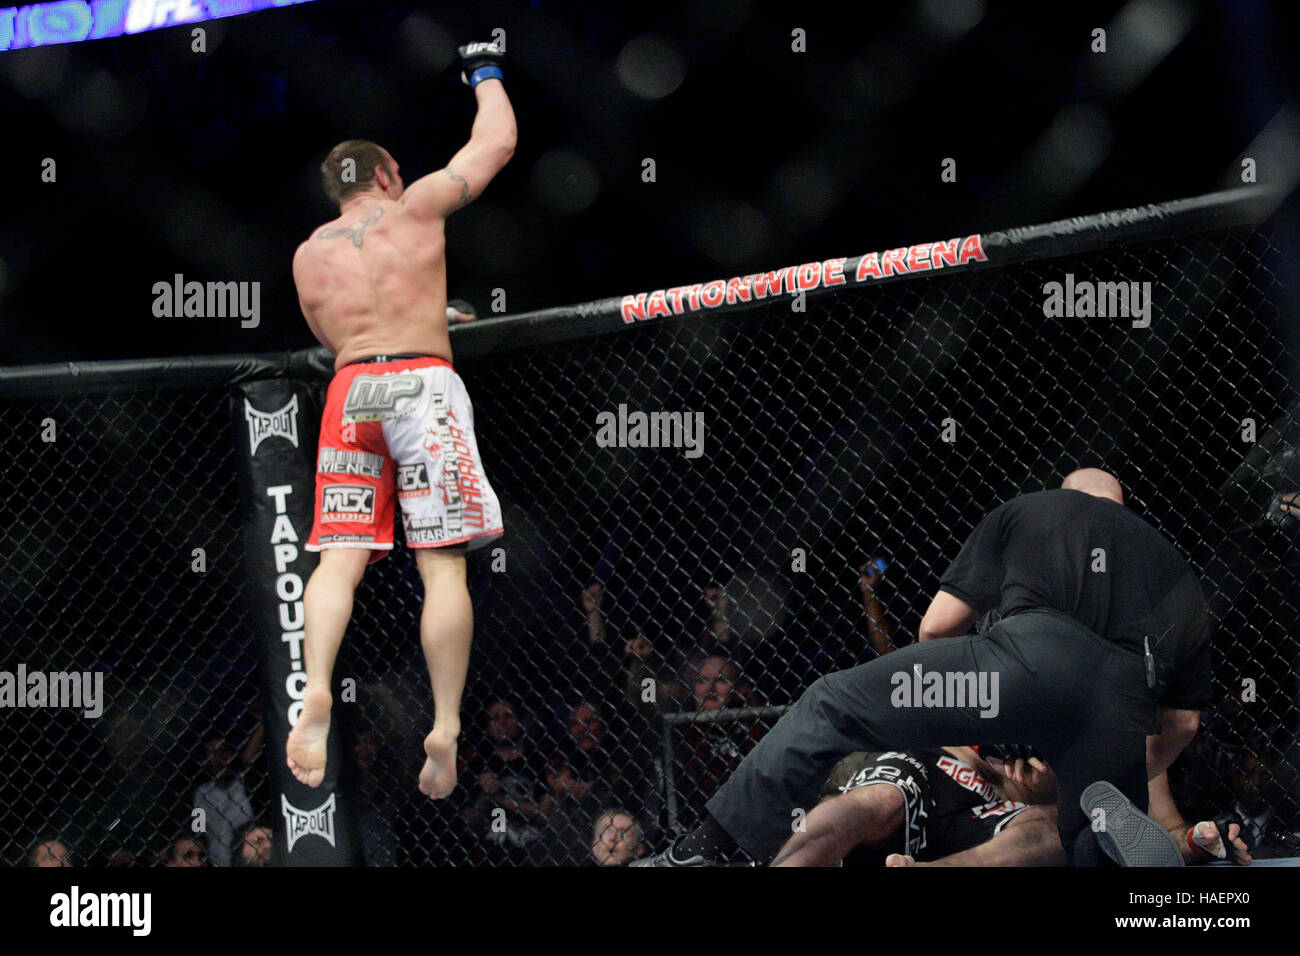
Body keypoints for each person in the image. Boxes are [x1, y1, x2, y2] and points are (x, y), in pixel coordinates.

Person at [636, 468, 1211, 866]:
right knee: (1081, 835)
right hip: (1118, 701)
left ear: (1064, 494)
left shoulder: (1031, 511)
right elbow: (1183, 725)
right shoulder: (1174, 569)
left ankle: (704, 850)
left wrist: (983, 712)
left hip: (1022, 659)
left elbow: (936, 627)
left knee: (833, 702)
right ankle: (1103, 844)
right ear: (1123, 506)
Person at [285, 40, 517, 799]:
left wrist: (421, 315)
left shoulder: (308, 256)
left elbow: (343, 338)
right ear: (386, 173)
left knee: (338, 560)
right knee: (441, 562)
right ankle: (446, 723)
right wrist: (484, 71)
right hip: (422, 386)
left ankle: (315, 685)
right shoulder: (416, 204)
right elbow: (497, 143)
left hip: (352, 394)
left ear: (334, 189)